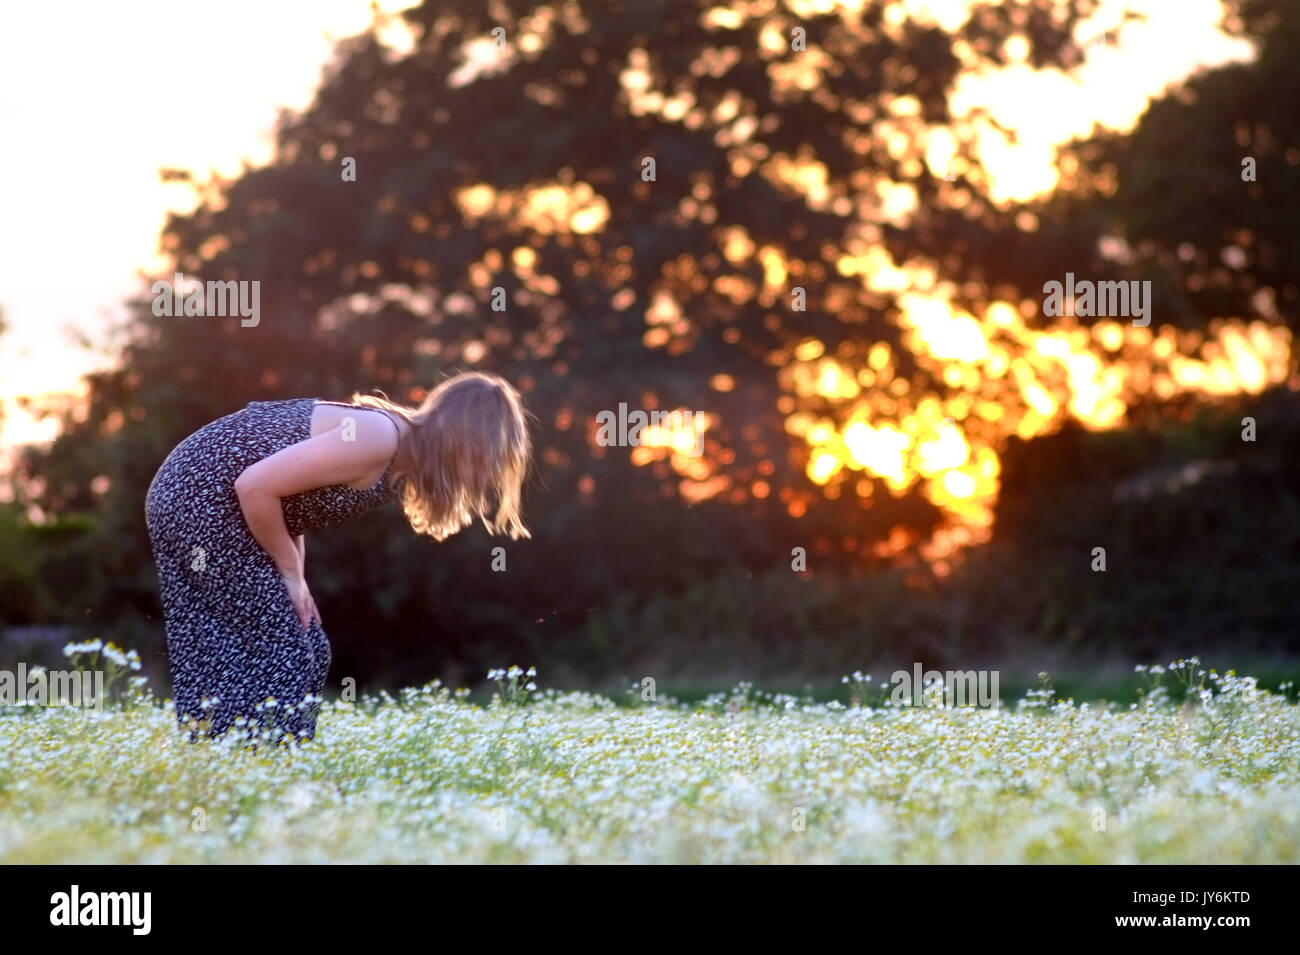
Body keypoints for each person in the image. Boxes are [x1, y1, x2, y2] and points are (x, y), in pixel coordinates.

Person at [144, 371, 531, 742]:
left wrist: (295, 576)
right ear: (462, 439)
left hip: (215, 502)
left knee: (306, 644)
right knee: (285, 648)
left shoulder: (396, 457)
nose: (484, 474)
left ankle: (243, 756)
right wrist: (290, 575)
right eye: (484, 458)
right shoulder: (377, 438)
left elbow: (291, 507)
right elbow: (255, 486)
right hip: (199, 497)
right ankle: (255, 762)